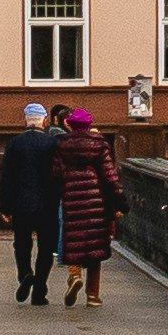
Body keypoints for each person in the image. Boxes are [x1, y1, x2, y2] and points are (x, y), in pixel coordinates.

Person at [53, 109, 123, 310]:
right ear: (89, 124)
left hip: (71, 200)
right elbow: (110, 177)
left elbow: (55, 174)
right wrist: (120, 204)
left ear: (70, 125)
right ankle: (93, 295)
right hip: (96, 201)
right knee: (94, 248)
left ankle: (74, 275)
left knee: (73, 241)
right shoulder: (99, 145)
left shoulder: (61, 145)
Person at [0, 102, 63, 304]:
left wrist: (5, 207)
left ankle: (25, 275)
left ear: (25, 120)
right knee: (46, 248)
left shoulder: (14, 143)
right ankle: (39, 291)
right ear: (44, 121)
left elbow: (6, 177)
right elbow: (59, 175)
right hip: (48, 204)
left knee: (22, 244)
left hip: (21, 204)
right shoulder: (52, 144)